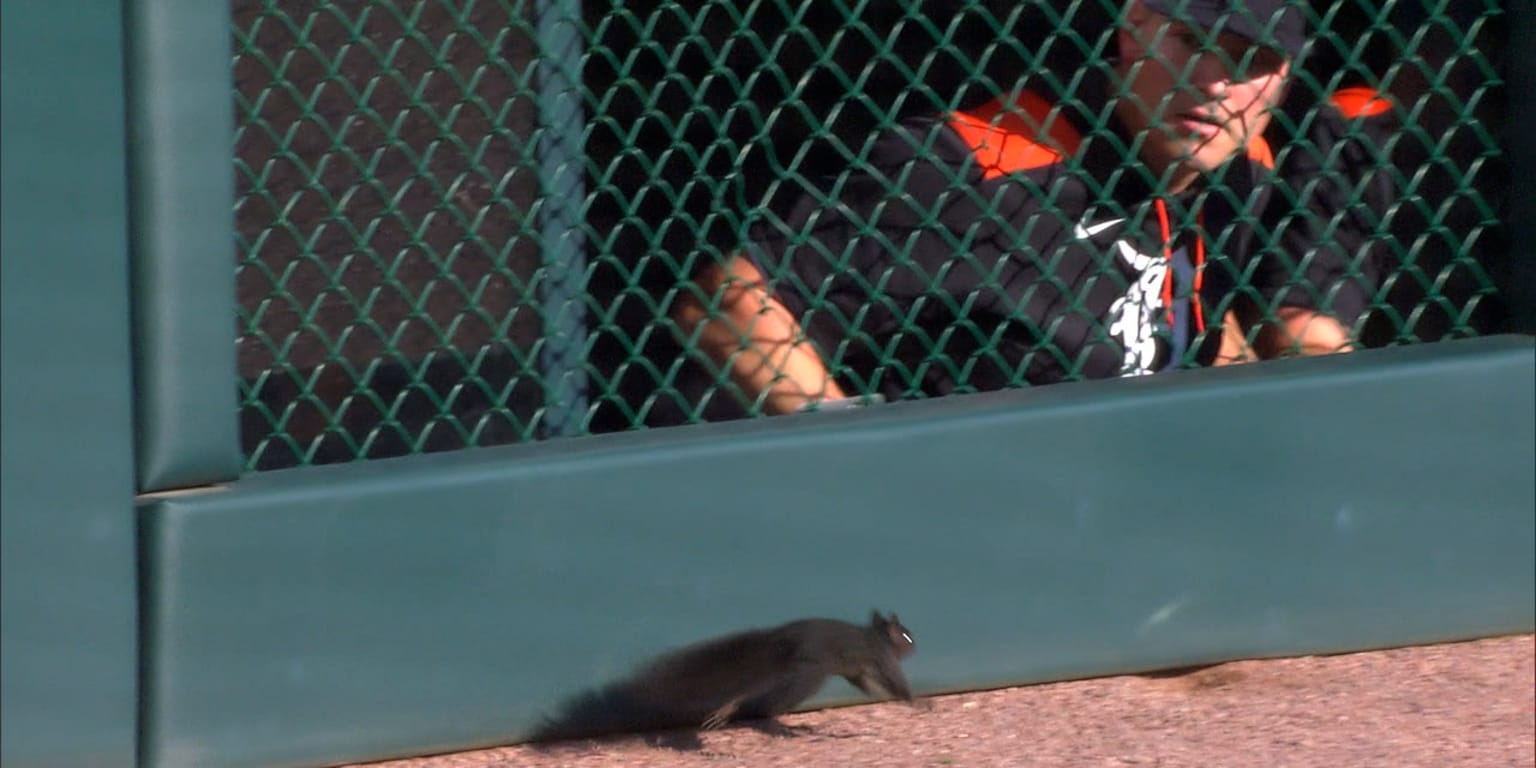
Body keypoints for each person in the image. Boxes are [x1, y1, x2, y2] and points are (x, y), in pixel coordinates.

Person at [674, 0, 1340, 415]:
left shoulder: (1241, 175)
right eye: (1195, 43)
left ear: (1283, 79)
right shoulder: (989, 166)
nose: (1218, 85)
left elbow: (1193, 323)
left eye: (1251, 60)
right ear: (1136, 26)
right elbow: (726, 297)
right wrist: (855, 450)